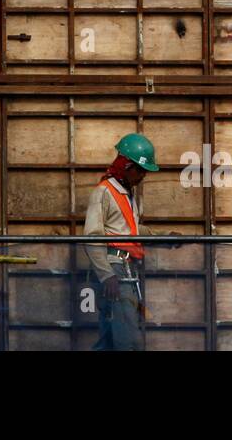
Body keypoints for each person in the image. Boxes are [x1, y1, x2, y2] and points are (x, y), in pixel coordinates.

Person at [84, 133, 159, 350]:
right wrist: (107, 276)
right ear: (126, 166)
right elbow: (92, 236)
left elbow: (131, 231)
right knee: (128, 339)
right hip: (115, 269)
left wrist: (163, 237)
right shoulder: (104, 193)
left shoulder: (126, 194)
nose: (143, 176)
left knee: (108, 340)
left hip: (125, 269)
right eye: (141, 170)